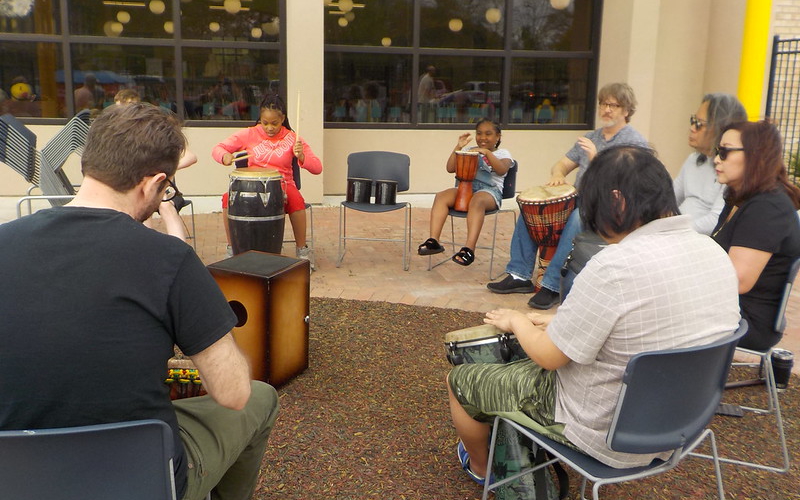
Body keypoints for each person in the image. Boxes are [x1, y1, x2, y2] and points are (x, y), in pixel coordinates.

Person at [0, 102, 279, 500]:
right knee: (261, 398)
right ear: (153, 184)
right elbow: (233, 393)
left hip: (18, 479)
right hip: (140, 479)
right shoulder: (169, 258)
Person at [447, 146, 741, 485]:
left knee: (461, 381)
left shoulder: (614, 266)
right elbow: (645, 322)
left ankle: (483, 470)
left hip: (604, 431)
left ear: (616, 201)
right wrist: (559, 321)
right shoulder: (715, 254)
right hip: (682, 424)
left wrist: (515, 320)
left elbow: (548, 357)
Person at [488, 82, 648, 309]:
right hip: (580, 198)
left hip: (610, 206)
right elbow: (562, 164)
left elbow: (623, 183)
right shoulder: (591, 136)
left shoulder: (633, 142)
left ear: (626, 110)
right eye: (604, 103)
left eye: (614, 105)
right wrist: (558, 175)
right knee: (532, 209)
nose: (607, 109)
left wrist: (594, 158)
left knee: (577, 218)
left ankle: (552, 286)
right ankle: (519, 275)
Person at [711, 120, 800, 351]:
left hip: (746, 320)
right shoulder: (738, 197)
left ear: (754, 155)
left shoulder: (768, 207)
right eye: (717, 150)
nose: (717, 159)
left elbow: (737, 280)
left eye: (725, 151)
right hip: (725, 307)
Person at [212, 92, 322, 266]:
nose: (269, 128)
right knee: (228, 199)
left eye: (274, 123)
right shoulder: (249, 134)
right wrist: (224, 156)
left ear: (283, 119)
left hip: (282, 184)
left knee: (297, 201)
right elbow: (218, 148)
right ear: (260, 119)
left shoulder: (292, 138)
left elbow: (317, 168)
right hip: (251, 186)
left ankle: (303, 251)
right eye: (265, 123)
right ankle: (232, 248)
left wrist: (301, 156)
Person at [417, 118, 513, 266]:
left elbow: (502, 170)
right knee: (441, 196)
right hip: (465, 188)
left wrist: (486, 153)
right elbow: (450, 168)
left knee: (477, 201)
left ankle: (469, 249)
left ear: (498, 137)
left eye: (488, 134)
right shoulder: (469, 150)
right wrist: (459, 147)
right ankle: (434, 241)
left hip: (489, 192)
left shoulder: (503, 153)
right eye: (479, 133)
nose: (483, 137)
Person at [113, 88, 199, 241]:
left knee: (166, 206)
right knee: (139, 207)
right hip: (137, 190)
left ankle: (180, 250)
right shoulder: (118, 137)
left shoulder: (152, 132)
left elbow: (191, 157)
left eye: (125, 111)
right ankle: (146, 248)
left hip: (163, 189)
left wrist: (162, 169)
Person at [674, 93, 747, 235]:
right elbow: (669, 199)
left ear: (720, 128)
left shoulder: (730, 170)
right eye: (692, 120)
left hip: (699, 241)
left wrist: (676, 233)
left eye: (699, 124)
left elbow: (716, 220)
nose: (692, 128)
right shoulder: (693, 160)